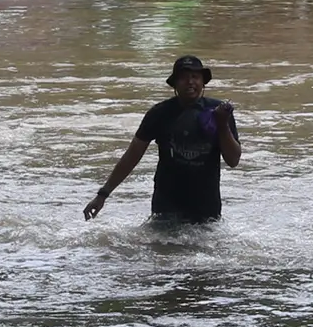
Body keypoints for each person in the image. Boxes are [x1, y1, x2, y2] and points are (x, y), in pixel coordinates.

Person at [84, 54, 241, 223]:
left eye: (195, 77)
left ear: (203, 82)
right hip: (166, 207)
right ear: (175, 84)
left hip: (206, 208)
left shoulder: (218, 112)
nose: (190, 82)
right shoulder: (160, 113)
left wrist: (222, 124)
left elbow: (233, 160)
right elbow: (132, 156)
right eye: (183, 77)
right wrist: (103, 194)